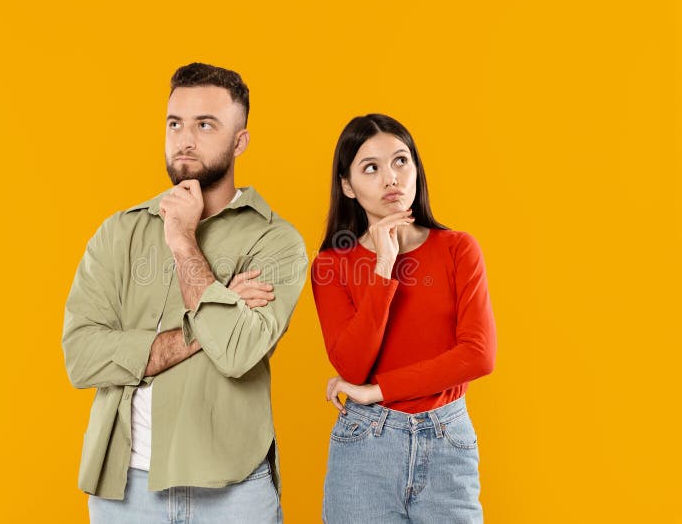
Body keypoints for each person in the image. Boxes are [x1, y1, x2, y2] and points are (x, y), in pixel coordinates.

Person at [62, 62, 307, 524]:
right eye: (175, 123)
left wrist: (182, 241)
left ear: (240, 142)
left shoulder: (276, 241)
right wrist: (208, 321)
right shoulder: (120, 232)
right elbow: (81, 356)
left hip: (234, 491)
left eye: (205, 124)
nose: (185, 139)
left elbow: (236, 353)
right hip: (125, 492)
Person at [311, 114, 497, 523]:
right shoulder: (332, 264)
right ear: (347, 185)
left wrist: (379, 391)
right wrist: (383, 267)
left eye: (400, 161)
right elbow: (352, 366)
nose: (390, 178)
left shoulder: (458, 250)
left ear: (416, 168)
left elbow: (479, 356)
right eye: (371, 168)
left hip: (447, 441)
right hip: (364, 449)